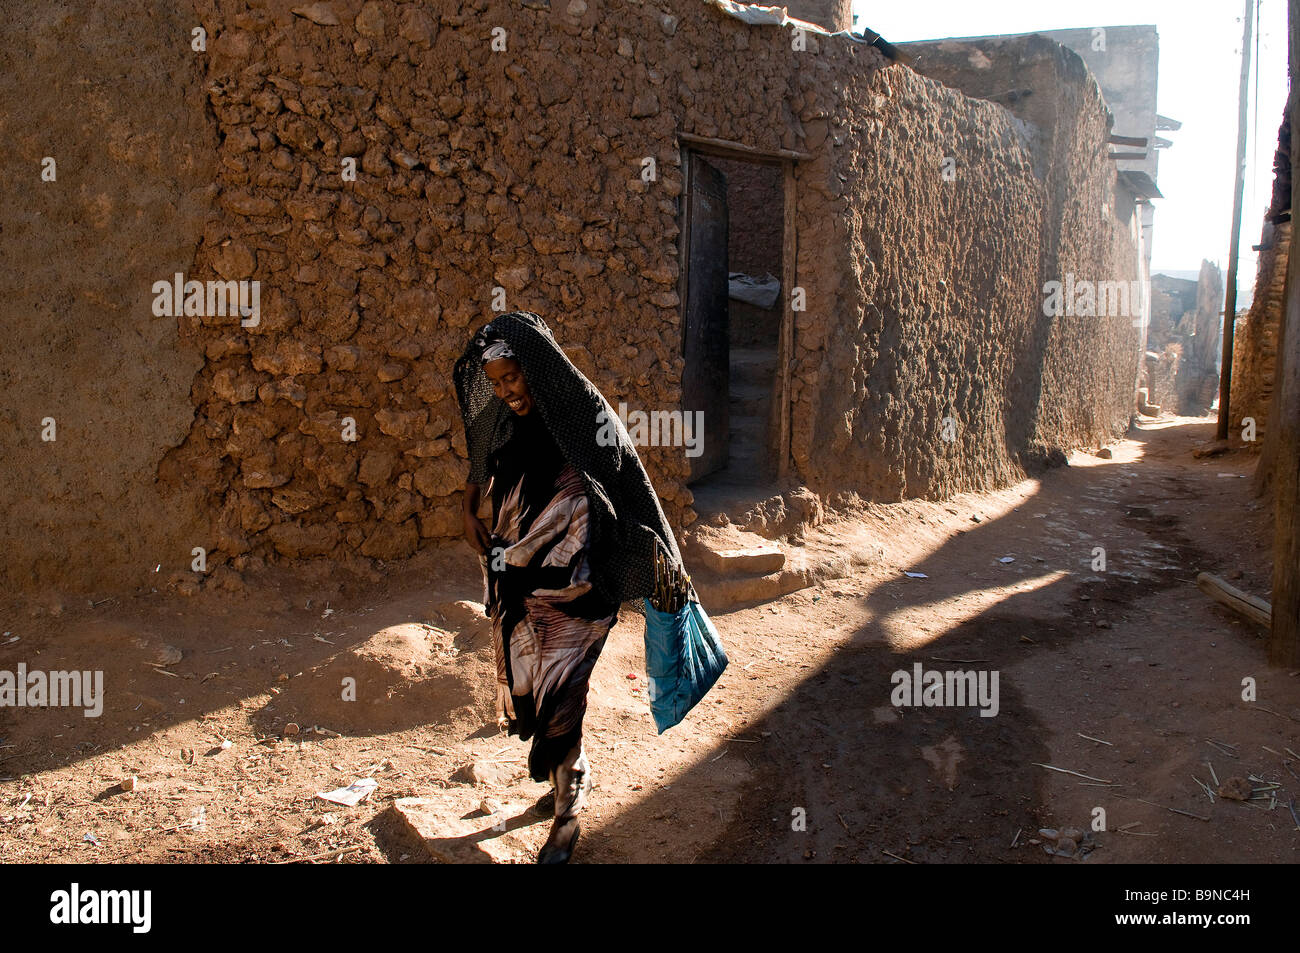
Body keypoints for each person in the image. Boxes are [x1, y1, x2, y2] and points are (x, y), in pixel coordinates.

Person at [452, 312, 685, 864]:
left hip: (576, 582)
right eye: (498, 382)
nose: (508, 391)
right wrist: (467, 509)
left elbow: (624, 474)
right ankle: (559, 768)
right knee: (531, 675)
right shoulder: (503, 419)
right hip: (517, 578)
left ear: (536, 368)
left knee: (563, 681)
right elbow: (481, 459)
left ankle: (568, 805)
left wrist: (647, 551)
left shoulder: (578, 411)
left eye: (515, 378)